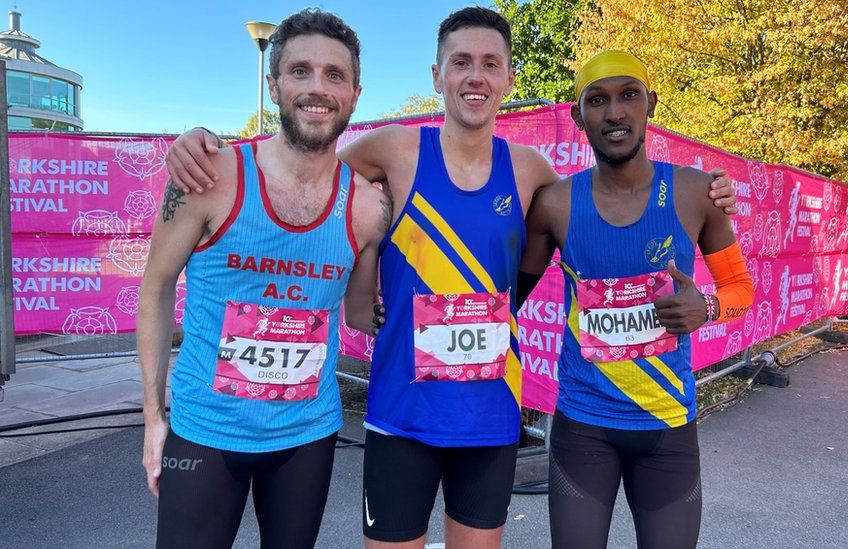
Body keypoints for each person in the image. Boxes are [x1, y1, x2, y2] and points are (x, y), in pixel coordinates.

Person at [164, 8, 739, 548]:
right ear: (437, 74)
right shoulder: (392, 150)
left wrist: (709, 196)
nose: (476, 76)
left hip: (489, 418)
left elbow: (578, 228)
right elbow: (301, 165)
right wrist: (206, 147)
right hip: (400, 414)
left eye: (491, 64)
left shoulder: (535, 175)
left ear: (509, 79)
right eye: (461, 62)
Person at [137, 9, 388, 549]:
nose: (317, 89)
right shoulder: (209, 175)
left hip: (307, 437)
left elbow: (361, 313)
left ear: (355, 94)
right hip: (204, 432)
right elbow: (155, 288)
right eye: (300, 72)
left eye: (334, 75)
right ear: (273, 85)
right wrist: (153, 416)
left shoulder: (367, 208)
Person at [517, 50, 755, 549]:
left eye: (629, 95)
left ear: (651, 102)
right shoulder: (555, 204)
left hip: (667, 428)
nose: (615, 112)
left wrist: (705, 309)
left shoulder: (696, 193)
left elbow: (741, 291)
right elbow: (504, 295)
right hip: (583, 427)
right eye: (597, 100)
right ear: (579, 116)